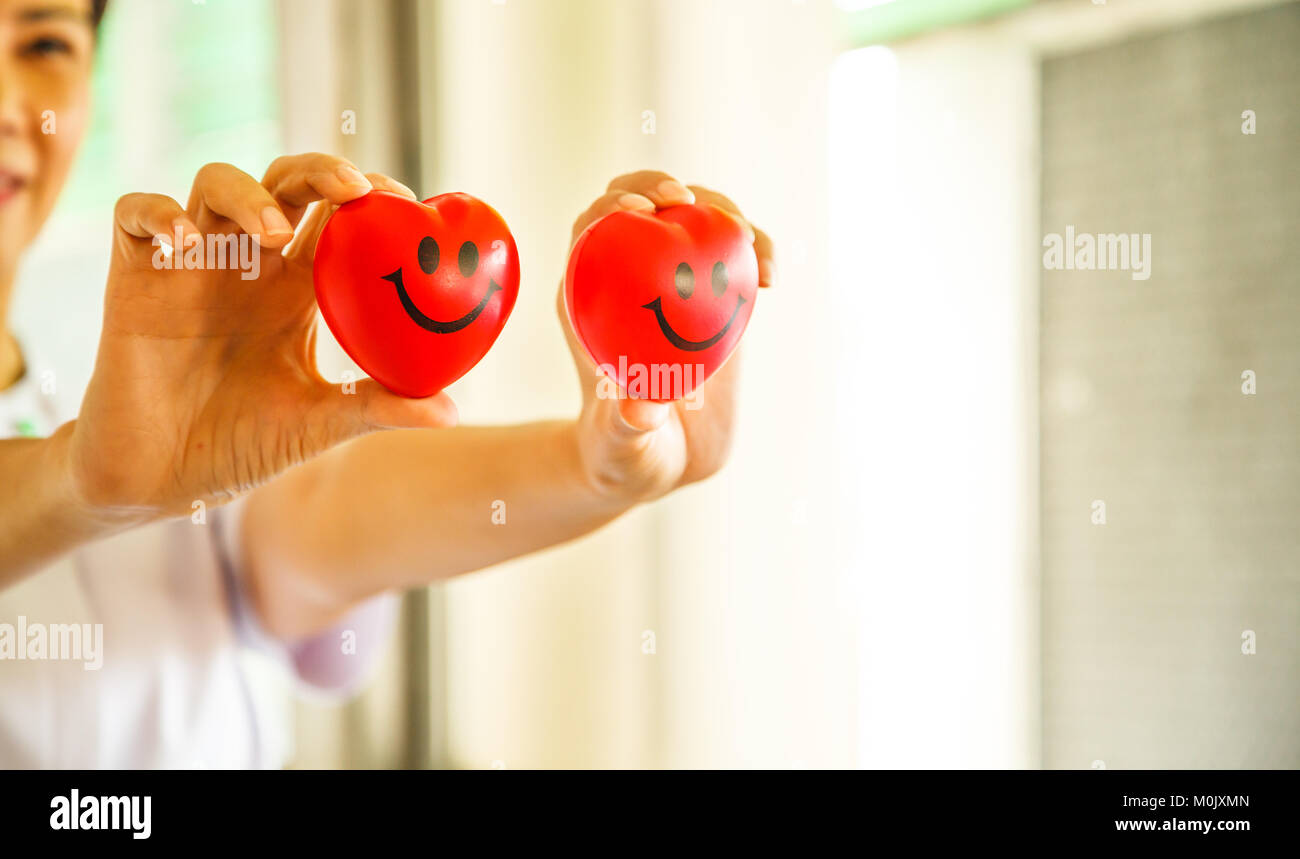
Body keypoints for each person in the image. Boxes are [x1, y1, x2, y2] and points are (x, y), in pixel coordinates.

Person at [0, 0, 775, 767]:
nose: (6, 104)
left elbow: (312, 512)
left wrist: (597, 462)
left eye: (43, 44)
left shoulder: (110, 415)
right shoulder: (90, 451)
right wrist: (77, 486)